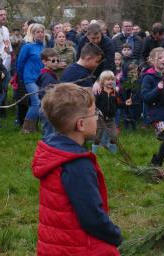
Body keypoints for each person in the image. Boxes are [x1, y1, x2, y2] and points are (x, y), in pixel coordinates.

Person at [31, 83, 122, 254]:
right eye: (95, 113)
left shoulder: (53, 152)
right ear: (80, 124)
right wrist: (114, 235)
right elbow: (91, 216)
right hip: (77, 247)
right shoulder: (77, 164)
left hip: (55, 245)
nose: (97, 118)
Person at [16, 23, 46, 133]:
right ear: (32, 33)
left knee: (41, 103)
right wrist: (23, 76)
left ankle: (37, 127)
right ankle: (26, 128)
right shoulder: (27, 46)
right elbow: (20, 63)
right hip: (30, 78)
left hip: (41, 79)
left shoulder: (43, 47)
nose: (41, 34)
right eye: (38, 32)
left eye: (42, 32)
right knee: (36, 102)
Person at [92, 71, 122, 154]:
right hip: (100, 119)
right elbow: (94, 105)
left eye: (112, 79)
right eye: (108, 79)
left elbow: (119, 104)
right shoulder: (99, 92)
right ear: (102, 81)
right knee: (98, 136)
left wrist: (125, 103)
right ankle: (94, 152)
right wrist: (96, 111)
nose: (110, 81)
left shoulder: (115, 92)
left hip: (111, 119)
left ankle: (113, 153)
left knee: (114, 136)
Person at [37, 48, 60, 138]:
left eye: (57, 60)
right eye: (53, 60)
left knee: (50, 133)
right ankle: (46, 150)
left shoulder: (49, 74)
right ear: (44, 62)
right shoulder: (47, 77)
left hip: (48, 108)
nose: (56, 62)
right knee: (49, 135)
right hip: (48, 109)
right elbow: (46, 94)